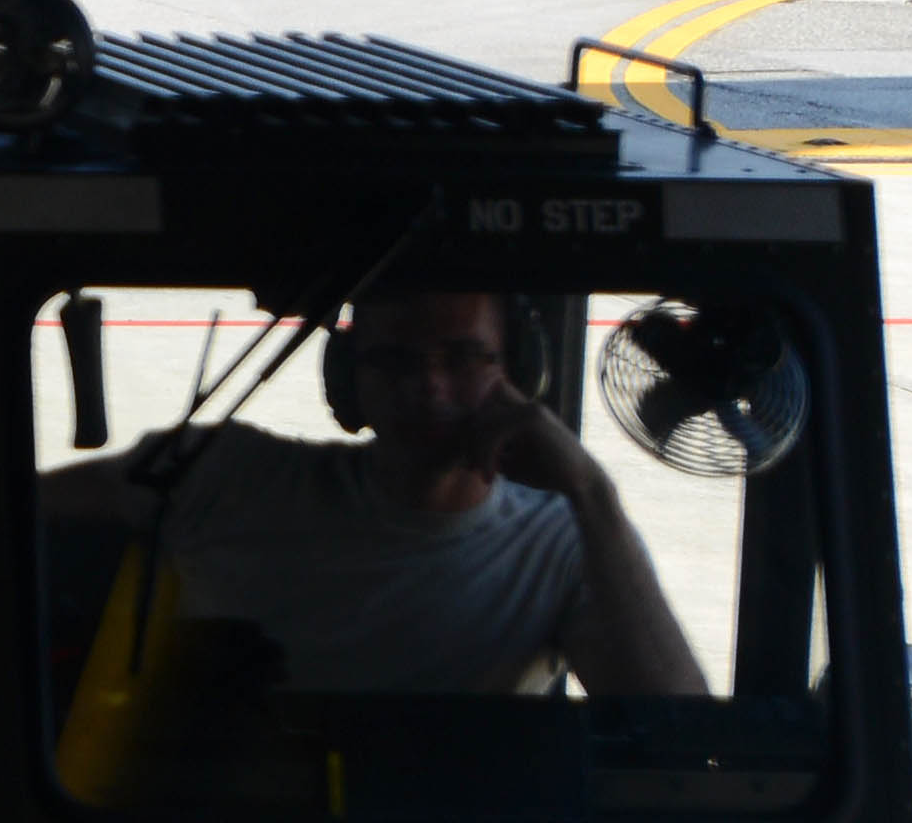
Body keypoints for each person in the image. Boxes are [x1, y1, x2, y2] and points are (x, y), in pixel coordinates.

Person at [37, 291, 707, 701]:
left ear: (518, 374)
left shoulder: (565, 541)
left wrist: (593, 492)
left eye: (463, 357)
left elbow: (679, 725)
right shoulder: (219, 472)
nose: (430, 387)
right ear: (347, 382)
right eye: (395, 361)